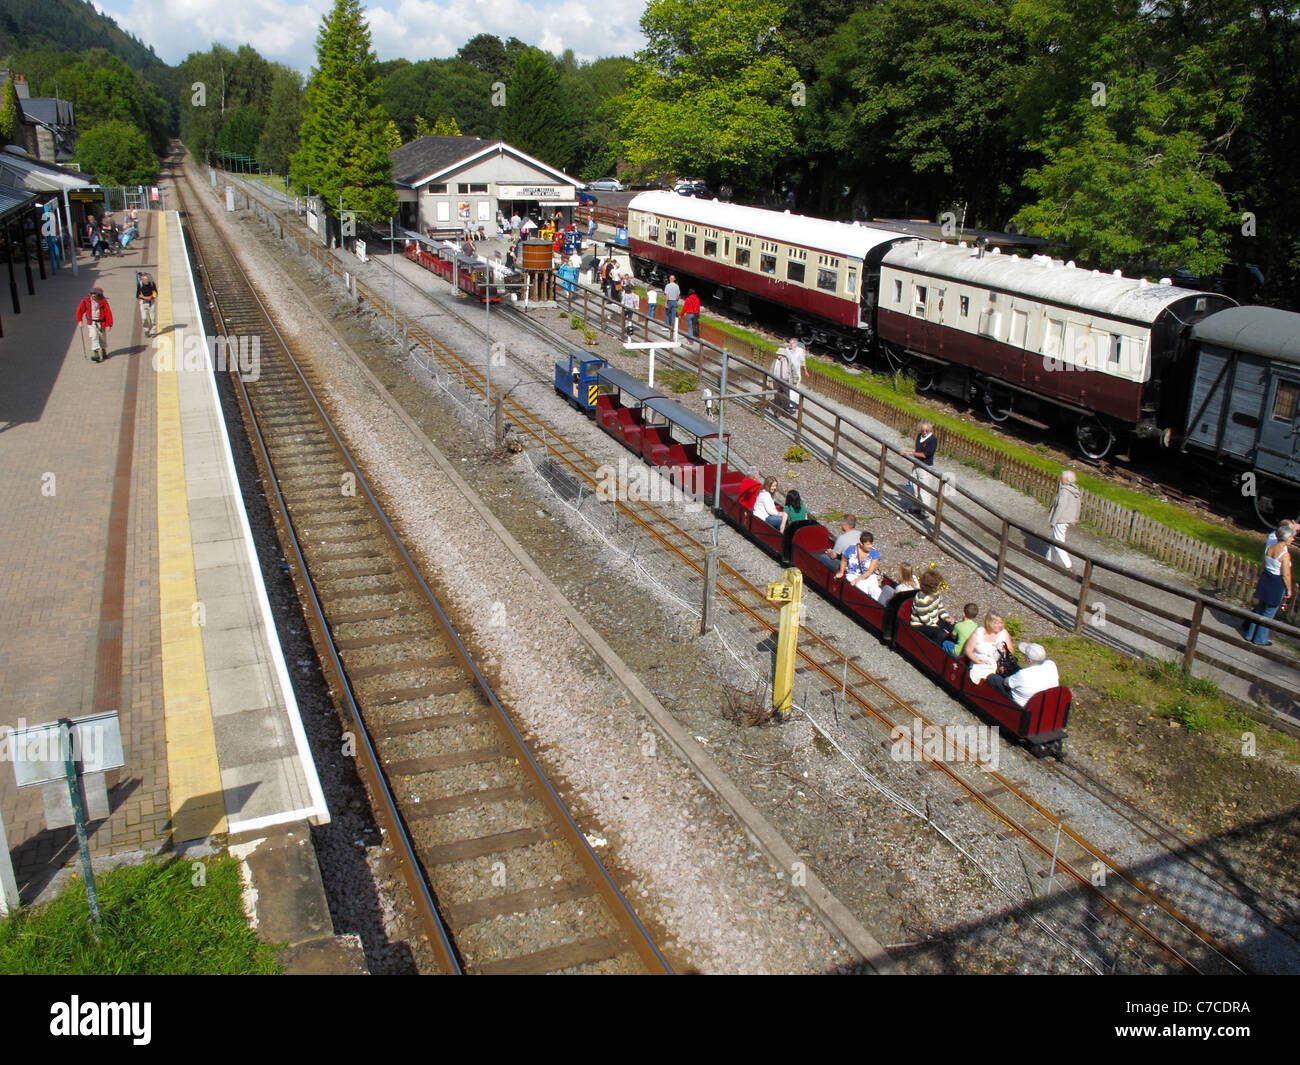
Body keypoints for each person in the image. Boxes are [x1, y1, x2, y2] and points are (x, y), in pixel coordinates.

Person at [1243, 524, 1294, 646]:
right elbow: (1286, 574)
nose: (1293, 539)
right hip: (1276, 584)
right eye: (1292, 537)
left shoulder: (1270, 548)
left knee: (1260, 608)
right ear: (1286, 538)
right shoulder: (1285, 555)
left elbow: (1264, 564)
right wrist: (1289, 590)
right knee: (1269, 613)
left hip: (1266, 579)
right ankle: (1260, 639)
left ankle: (1250, 634)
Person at [987, 643, 1059, 705]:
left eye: (1025, 656)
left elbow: (1006, 683)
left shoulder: (1023, 674)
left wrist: (1007, 677)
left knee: (993, 678)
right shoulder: (1051, 664)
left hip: (1024, 705)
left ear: (1029, 660)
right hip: (1045, 701)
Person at [964, 613, 1016, 683]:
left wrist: (1004, 650)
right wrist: (978, 662)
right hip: (980, 664)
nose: (999, 625)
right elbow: (968, 650)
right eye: (996, 623)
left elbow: (1011, 650)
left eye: (1000, 623)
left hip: (998, 666)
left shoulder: (1004, 633)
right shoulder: (979, 632)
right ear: (989, 623)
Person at [1046, 470, 1082, 569]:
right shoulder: (1074, 490)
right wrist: (1075, 518)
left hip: (1061, 519)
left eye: (1062, 477)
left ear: (1066, 479)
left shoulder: (1064, 491)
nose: (1060, 478)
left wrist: (1054, 521)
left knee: (1058, 542)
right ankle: (1048, 561)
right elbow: (1078, 505)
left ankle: (1068, 565)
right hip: (1067, 519)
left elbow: (1060, 507)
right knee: (1054, 540)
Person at [901, 422, 938, 512]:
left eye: (926, 430)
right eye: (922, 430)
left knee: (924, 489)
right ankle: (916, 506)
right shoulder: (919, 437)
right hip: (917, 464)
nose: (924, 432)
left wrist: (909, 453)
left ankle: (925, 510)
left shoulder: (932, 439)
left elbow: (925, 454)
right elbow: (918, 450)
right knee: (914, 487)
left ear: (930, 430)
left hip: (925, 466)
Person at [909, 569, 952, 643]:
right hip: (920, 625)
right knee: (940, 634)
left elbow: (940, 606)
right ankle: (933, 650)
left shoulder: (935, 593)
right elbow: (925, 619)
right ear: (931, 587)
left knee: (952, 627)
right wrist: (939, 628)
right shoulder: (921, 599)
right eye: (938, 585)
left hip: (934, 620)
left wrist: (946, 618)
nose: (939, 586)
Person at [838, 531, 881, 598]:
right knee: (862, 589)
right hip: (853, 574)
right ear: (861, 543)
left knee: (876, 591)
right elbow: (844, 561)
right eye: (868, 544)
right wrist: (841, 572)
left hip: (868, 575)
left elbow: (870, 570)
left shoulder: (874, 552)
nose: (870, 546)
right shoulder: (851, 549)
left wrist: (858, 579)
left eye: (871, 544)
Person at [75, 287, 113, 362]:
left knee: (102, 338)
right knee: (94, 336)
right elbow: (79, 311)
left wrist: (109, 324)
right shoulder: (85, 301)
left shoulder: (103, 302)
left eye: (95, 294)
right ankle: (96, 354)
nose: (93, 296)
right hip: (91, 323)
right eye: (92, 294)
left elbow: (108, 313)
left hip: (101, 323)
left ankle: (103, 351)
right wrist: (80, 320)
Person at [770, 347, 792, 416]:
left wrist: (794, 381)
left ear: (783, 355)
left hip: (785, 381)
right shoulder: (775, 361)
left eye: (779, 354)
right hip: (776, 380)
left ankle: (785, 410)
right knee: (777, 395)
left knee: (786, 396)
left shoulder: (788, 362)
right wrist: (770, 381)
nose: (778, 356)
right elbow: (771, 370)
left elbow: (793, 371)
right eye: (778, 354)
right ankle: (777, 410)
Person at [136, 272, 158, 336]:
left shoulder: (152, 284)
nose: (144, 281)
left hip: (151, 303)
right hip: (143, 303)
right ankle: (146, 329)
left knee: (152, 318)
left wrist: (151, 297)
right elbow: (137, 295)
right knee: (144, 318)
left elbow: (156, 294)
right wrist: (144, 297)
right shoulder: (140, 284)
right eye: (143, 280)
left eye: (146, 279)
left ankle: (153, 331)